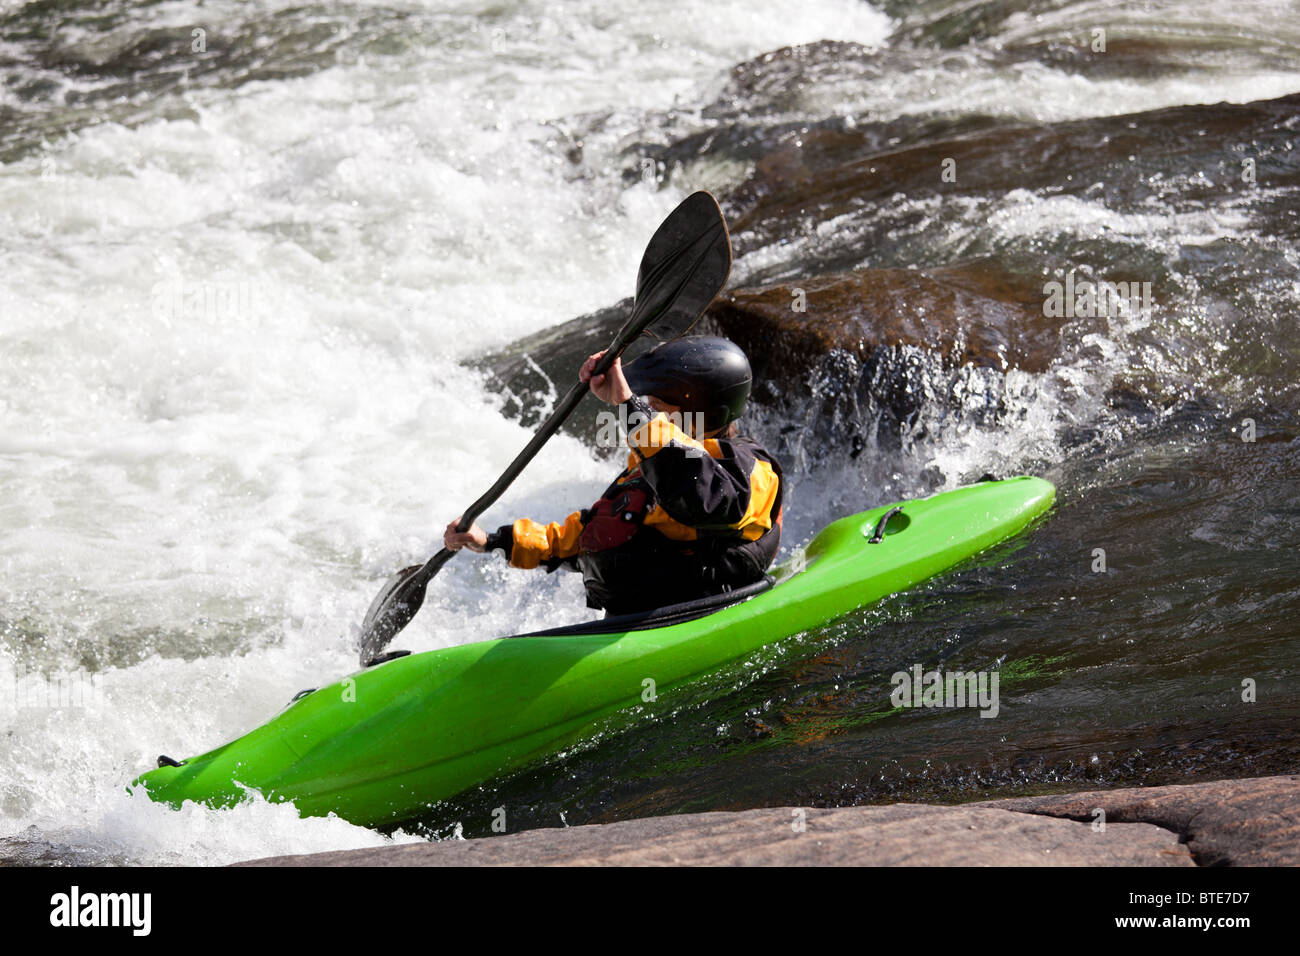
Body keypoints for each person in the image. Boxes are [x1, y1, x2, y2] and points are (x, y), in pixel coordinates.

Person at [444, 336, 783, 615]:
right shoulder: (653, 464)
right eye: (648, 408)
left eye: (659, 410)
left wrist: (626, 403)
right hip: (637, 619)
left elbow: (702, 497)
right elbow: (583, 536)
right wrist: (492, 541)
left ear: (705, 415)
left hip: (705, 610)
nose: (649, 417)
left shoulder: (750, 471)